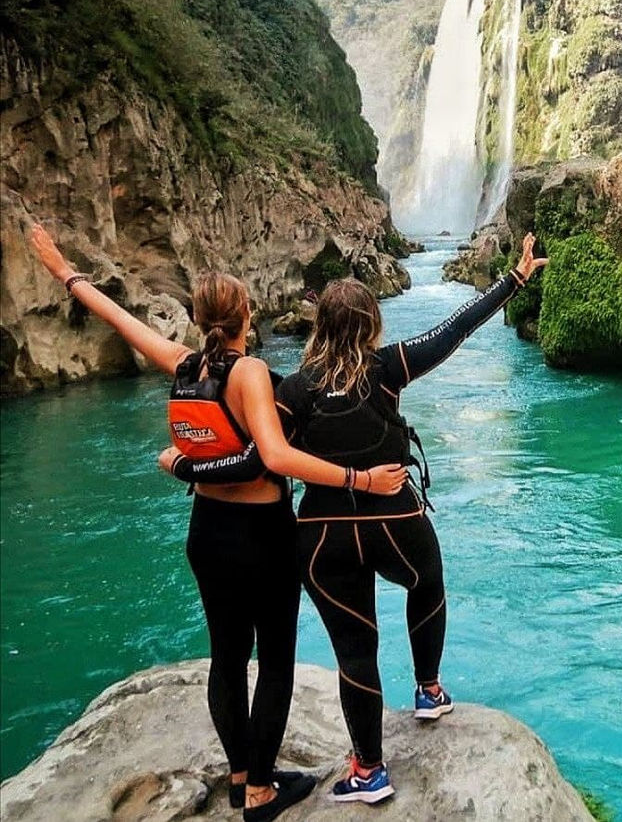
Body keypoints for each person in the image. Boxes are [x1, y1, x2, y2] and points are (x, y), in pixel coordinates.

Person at [28, 223, 408, 822]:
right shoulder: (250, 372)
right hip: (263, 535)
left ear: (201, 317)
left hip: (207, 533)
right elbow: (276, 457)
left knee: (227, 657)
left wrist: (63, 271)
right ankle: (260, 790)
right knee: (276, 658)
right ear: (246, 313)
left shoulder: (181, 364)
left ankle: (239, 774)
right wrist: (361, 480)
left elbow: (119, 319)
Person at [169, 233, 547, 806]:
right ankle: (428, 689)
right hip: (394, 519)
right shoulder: (388, 366)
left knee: (355, 650)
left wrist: (186, 467)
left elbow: (254, 459)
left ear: (318, 325)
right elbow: (455, 329)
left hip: (321, 542)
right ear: (372, 324)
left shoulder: (290, 389)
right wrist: (514, 280)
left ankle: (369, 771)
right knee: (428, 582)